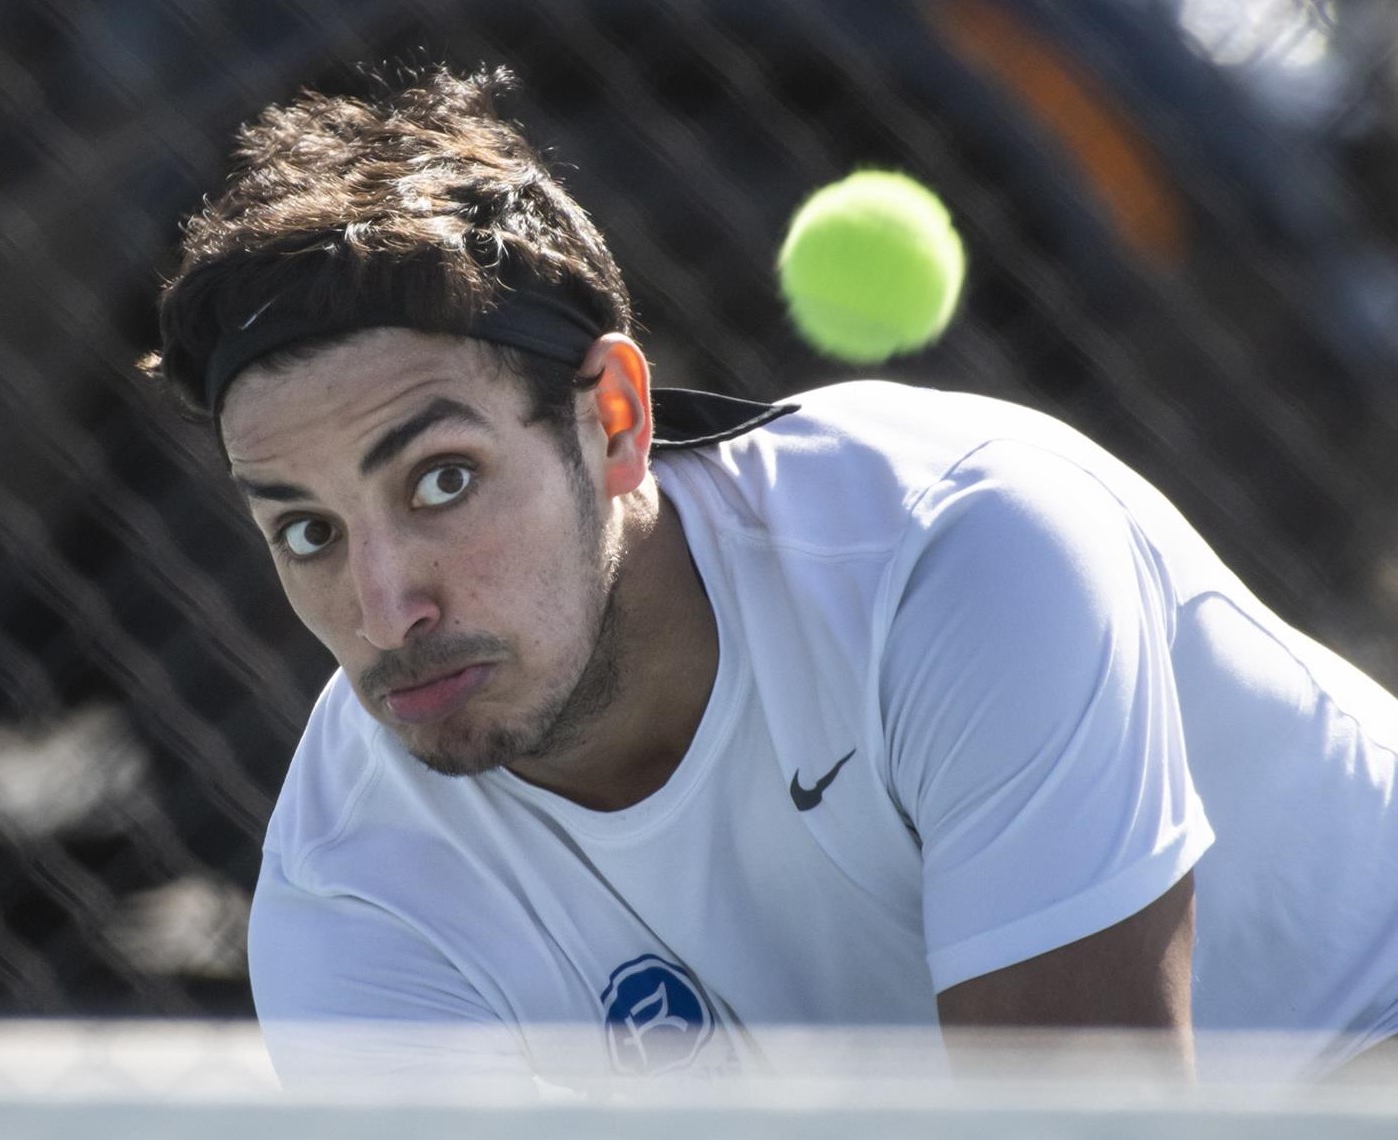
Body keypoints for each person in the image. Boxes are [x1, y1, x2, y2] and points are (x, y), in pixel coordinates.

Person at [140, 64, 1398, 1085]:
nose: (384, 609)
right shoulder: (351, 889)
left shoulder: (965, 552)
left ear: (614, 421)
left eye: (443, 481)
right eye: (307, 533)